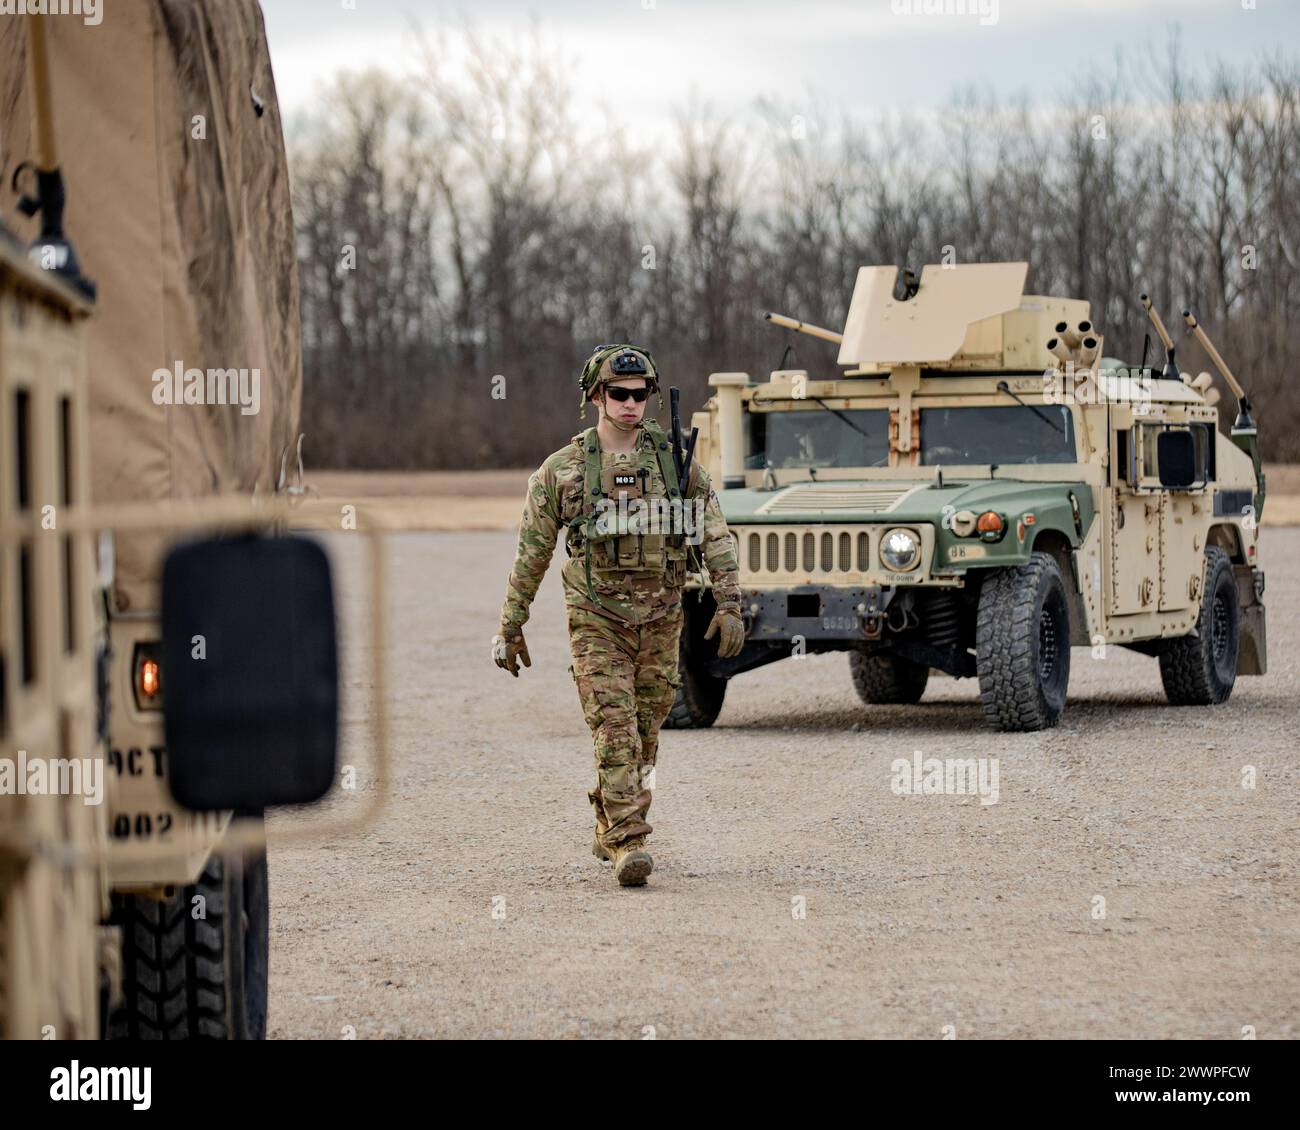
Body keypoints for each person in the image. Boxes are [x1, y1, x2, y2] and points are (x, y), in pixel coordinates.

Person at [493, 344, 745, 886]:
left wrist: (729, 602)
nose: (631, 404)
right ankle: (629, 841)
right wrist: (512, 624)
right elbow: (531, 554)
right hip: (596, 618)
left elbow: (713, 531)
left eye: (641, 395)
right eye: (619, 394)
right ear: (595, 396)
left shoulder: (675, 463)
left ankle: (611, 818)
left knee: (647, 731)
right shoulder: (560, 471)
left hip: (661, 619)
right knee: (614, 727)